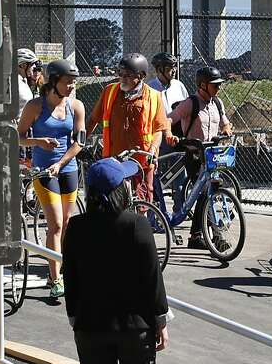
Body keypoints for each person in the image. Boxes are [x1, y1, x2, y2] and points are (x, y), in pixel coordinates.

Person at [63, 157, 169, 364]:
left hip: (91, 327)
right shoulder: (137, 225)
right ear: (117, 191)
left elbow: (72, 281)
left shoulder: (77, 228)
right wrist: (160, 321)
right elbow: (153, 282)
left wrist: (74, 317)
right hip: (135, 328)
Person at [17, 59, 86, 300]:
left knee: (68, 223)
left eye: (73, 82)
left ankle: (60, 269)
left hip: (68, 169)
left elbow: (80, 141)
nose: (71, 86)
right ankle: (56, 278)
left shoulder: (76, 106)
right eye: (67, 82)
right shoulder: (35, 106)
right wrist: (39, 142)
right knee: (56, 224)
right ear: (54, 81)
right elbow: (19, 137)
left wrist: (61, 162)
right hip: (43, 171)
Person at [87, 53, 171, 203]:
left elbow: (158, 129)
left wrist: (152, 150)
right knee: (115, 202)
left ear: (141, 76)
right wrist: (80, 140)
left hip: (142, 160)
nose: (123, 78)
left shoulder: (153, 96)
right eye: (121, 74)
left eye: (128, 75)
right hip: (114, 160)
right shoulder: (109, 91)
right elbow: (94, 119)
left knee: (142, 201)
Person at [167, 66, 234, 249]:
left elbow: (225, 121)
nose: (218, 88)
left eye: (219, 85)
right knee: (205, 192)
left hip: (212, 155)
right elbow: (170, 118)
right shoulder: (191, 103)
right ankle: (216, 237)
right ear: (203, 85)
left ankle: (196, 236)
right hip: (195, 156)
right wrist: (168, 134)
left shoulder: (217, 103)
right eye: (215, 85)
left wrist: (226, 128)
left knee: (209, 193)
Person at [148, 52, 190, 217]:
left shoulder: (179, 86)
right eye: (170, 68)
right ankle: (157, 212)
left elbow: (186, 108)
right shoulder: (150, 88)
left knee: (180, 175)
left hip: (177, 137)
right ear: (159, 70)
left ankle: (179, 211)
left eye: (174, 67)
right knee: (155, 174)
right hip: (158, 137)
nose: (174, 70)